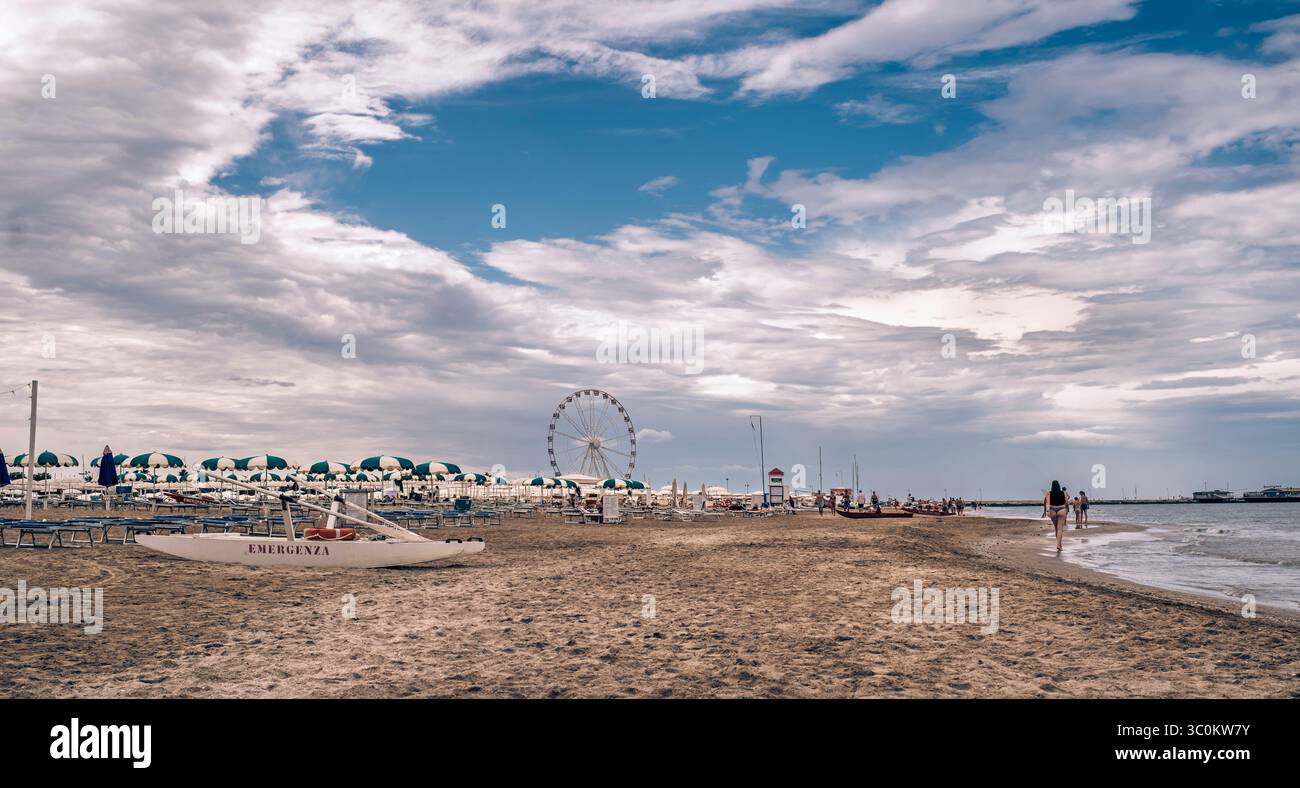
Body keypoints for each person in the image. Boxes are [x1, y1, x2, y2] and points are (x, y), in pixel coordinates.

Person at [1043, 480, 1068, 552]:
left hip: (1052, 510)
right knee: (1060, 529)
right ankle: (1059, 545)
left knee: (1056, 528)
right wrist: (1067, 510)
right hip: (1062, 510)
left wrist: (1047, 511)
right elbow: (1066, 502)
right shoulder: (1063, 493)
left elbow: (1047, 503)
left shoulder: (1049, 493)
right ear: (1059, 486)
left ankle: (1059, 544)